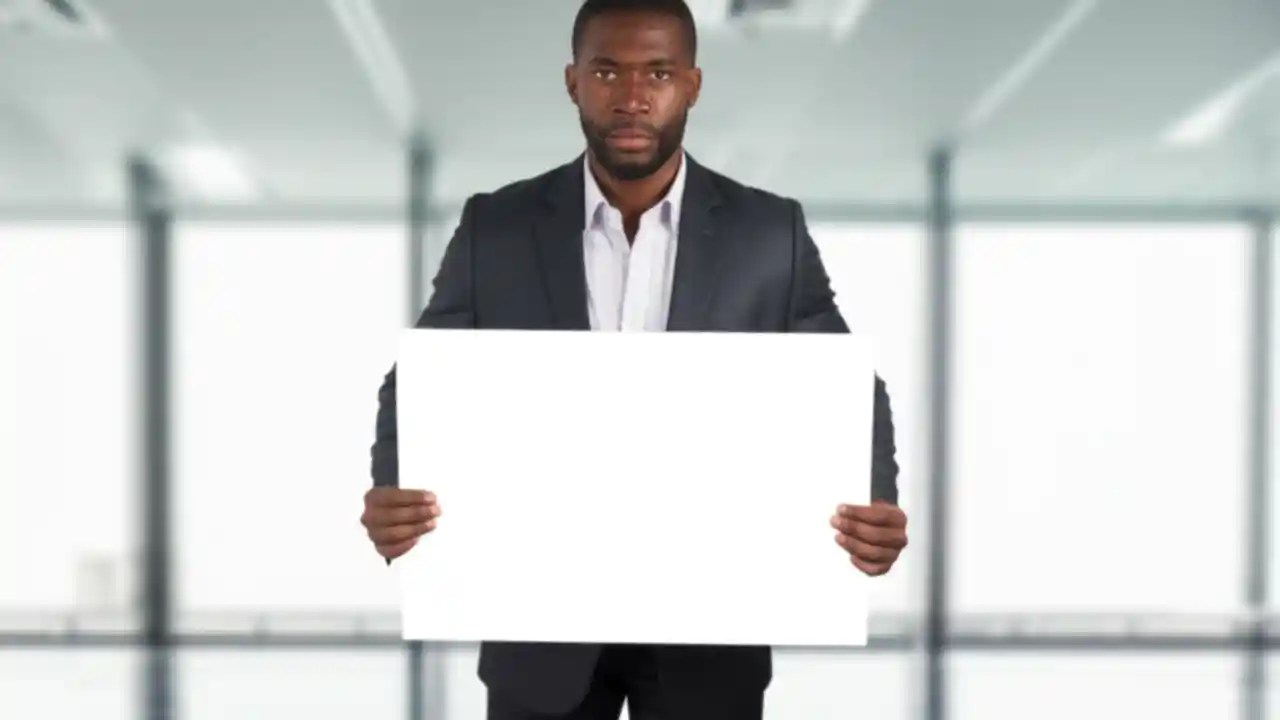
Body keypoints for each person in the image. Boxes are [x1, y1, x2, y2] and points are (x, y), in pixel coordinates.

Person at [361, 1, 909, 717]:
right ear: (572, 81)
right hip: (541, 621)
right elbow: (418, 386)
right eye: (606, 71)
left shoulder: (767, 232)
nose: (631, 96)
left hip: (711, 620)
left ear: (692, 84)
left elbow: (847, 390)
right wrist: (392, 493)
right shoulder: (496, 226)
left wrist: (876, 501)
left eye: (657, 72)